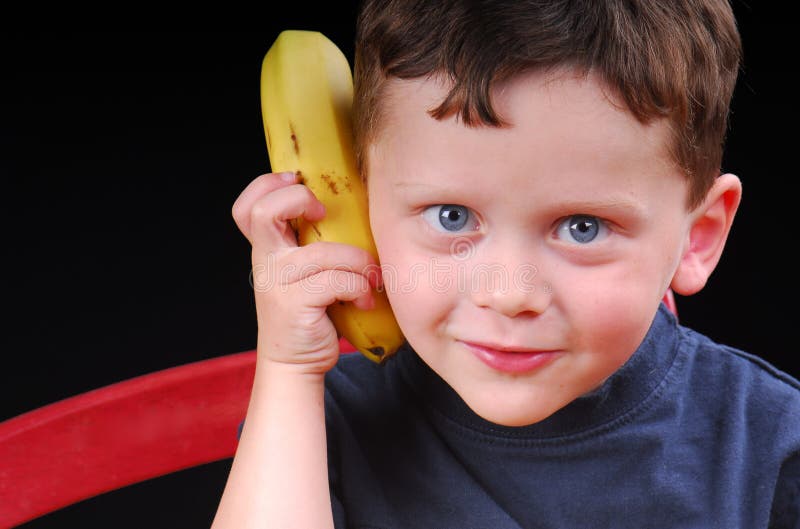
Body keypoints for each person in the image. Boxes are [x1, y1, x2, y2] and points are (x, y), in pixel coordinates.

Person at [211, 1, 800, 527]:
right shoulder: (317, 428)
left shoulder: (771, 444)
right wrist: (287, 371)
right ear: (363, 207)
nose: (507, 293)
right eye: (450, 217)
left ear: (698, 237)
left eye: (582, 228)